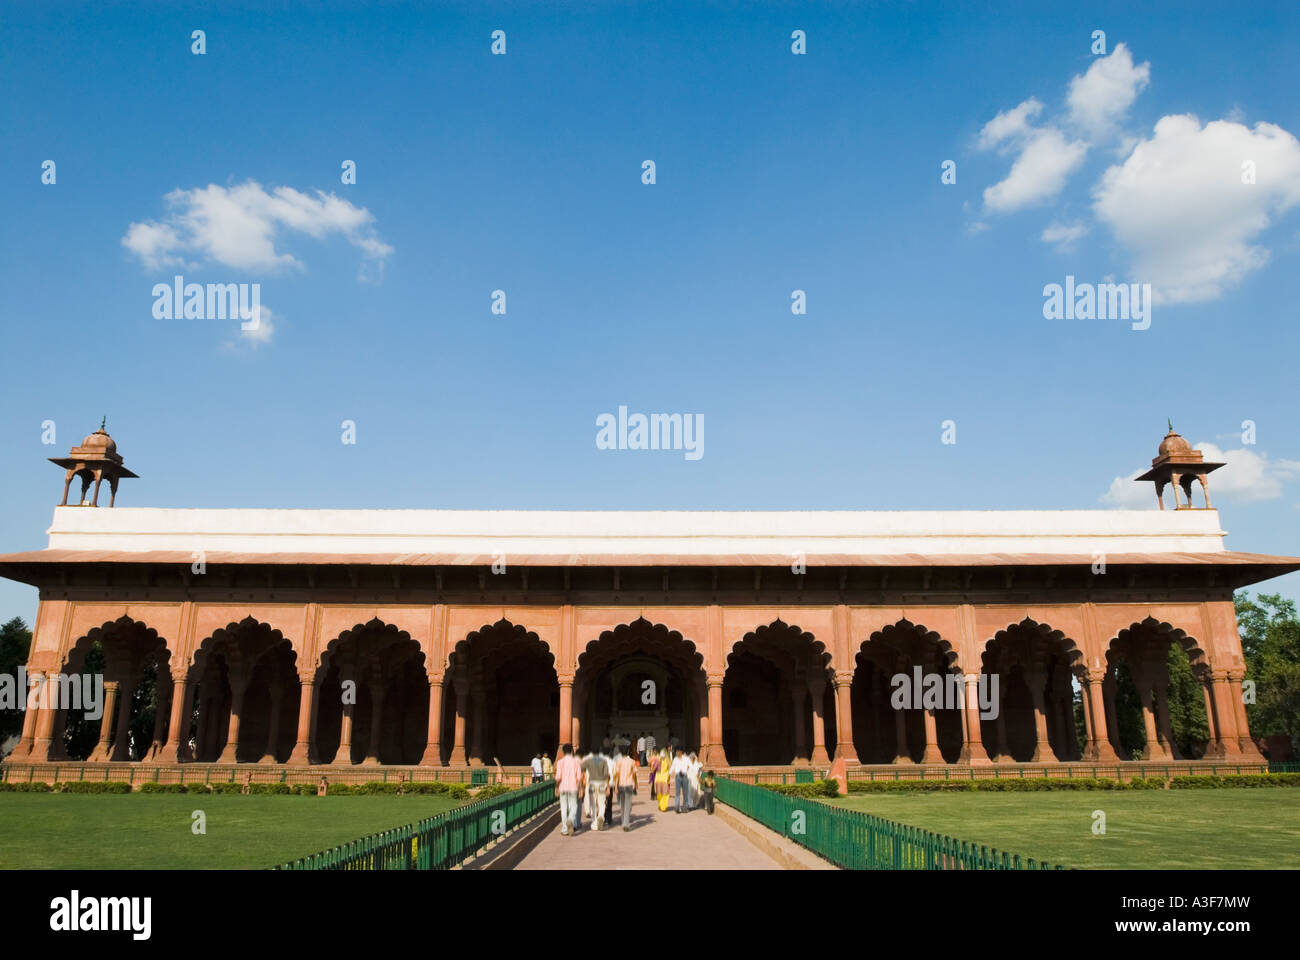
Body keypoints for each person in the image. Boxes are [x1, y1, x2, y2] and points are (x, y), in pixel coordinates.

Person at [581, 745, 613, 830]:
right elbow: (607, 775)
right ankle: (601, 817)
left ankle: (594, 823)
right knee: (602, 803)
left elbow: (581, 768)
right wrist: (608, 787)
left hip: (592, 783)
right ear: (599, 751)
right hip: (602, 783)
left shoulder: (588, 761)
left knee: (593, 804)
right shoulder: (603, 761)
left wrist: (584, 776)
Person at [554, 743, 583, 836]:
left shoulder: (560, 762)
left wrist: (556, 787)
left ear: (563, 752)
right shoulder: (576, 762)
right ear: (572, 751)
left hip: (563, 787)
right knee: (573, 806)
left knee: (563, 808)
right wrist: (581, 788)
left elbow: (558, 777)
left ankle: (564, 829)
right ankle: (571, 819)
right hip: (573, 786)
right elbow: (579, 777)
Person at [614, 749, 637, 831]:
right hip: (629, 784)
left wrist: (616, 785)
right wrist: (635, 783)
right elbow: (634, 774)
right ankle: (626, 824)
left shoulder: (619, 761)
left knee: (622, 804)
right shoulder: (632, 761)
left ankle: (623, 821)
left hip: (621, 784)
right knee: (628, 805)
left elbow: (617, 774)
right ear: (628, 752)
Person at [670, 748, 689, 814]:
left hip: (684, 776)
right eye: (676, 752)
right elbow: (672, 767)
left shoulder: (686, 758)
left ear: (680, 751)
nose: (676, 753)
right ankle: (677, 808)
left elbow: (689, 766)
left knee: (685, 793)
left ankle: (685, 808)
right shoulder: (675, 759)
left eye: (677, 751)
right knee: (677, 793)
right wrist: (668, 774)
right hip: (678, 776)